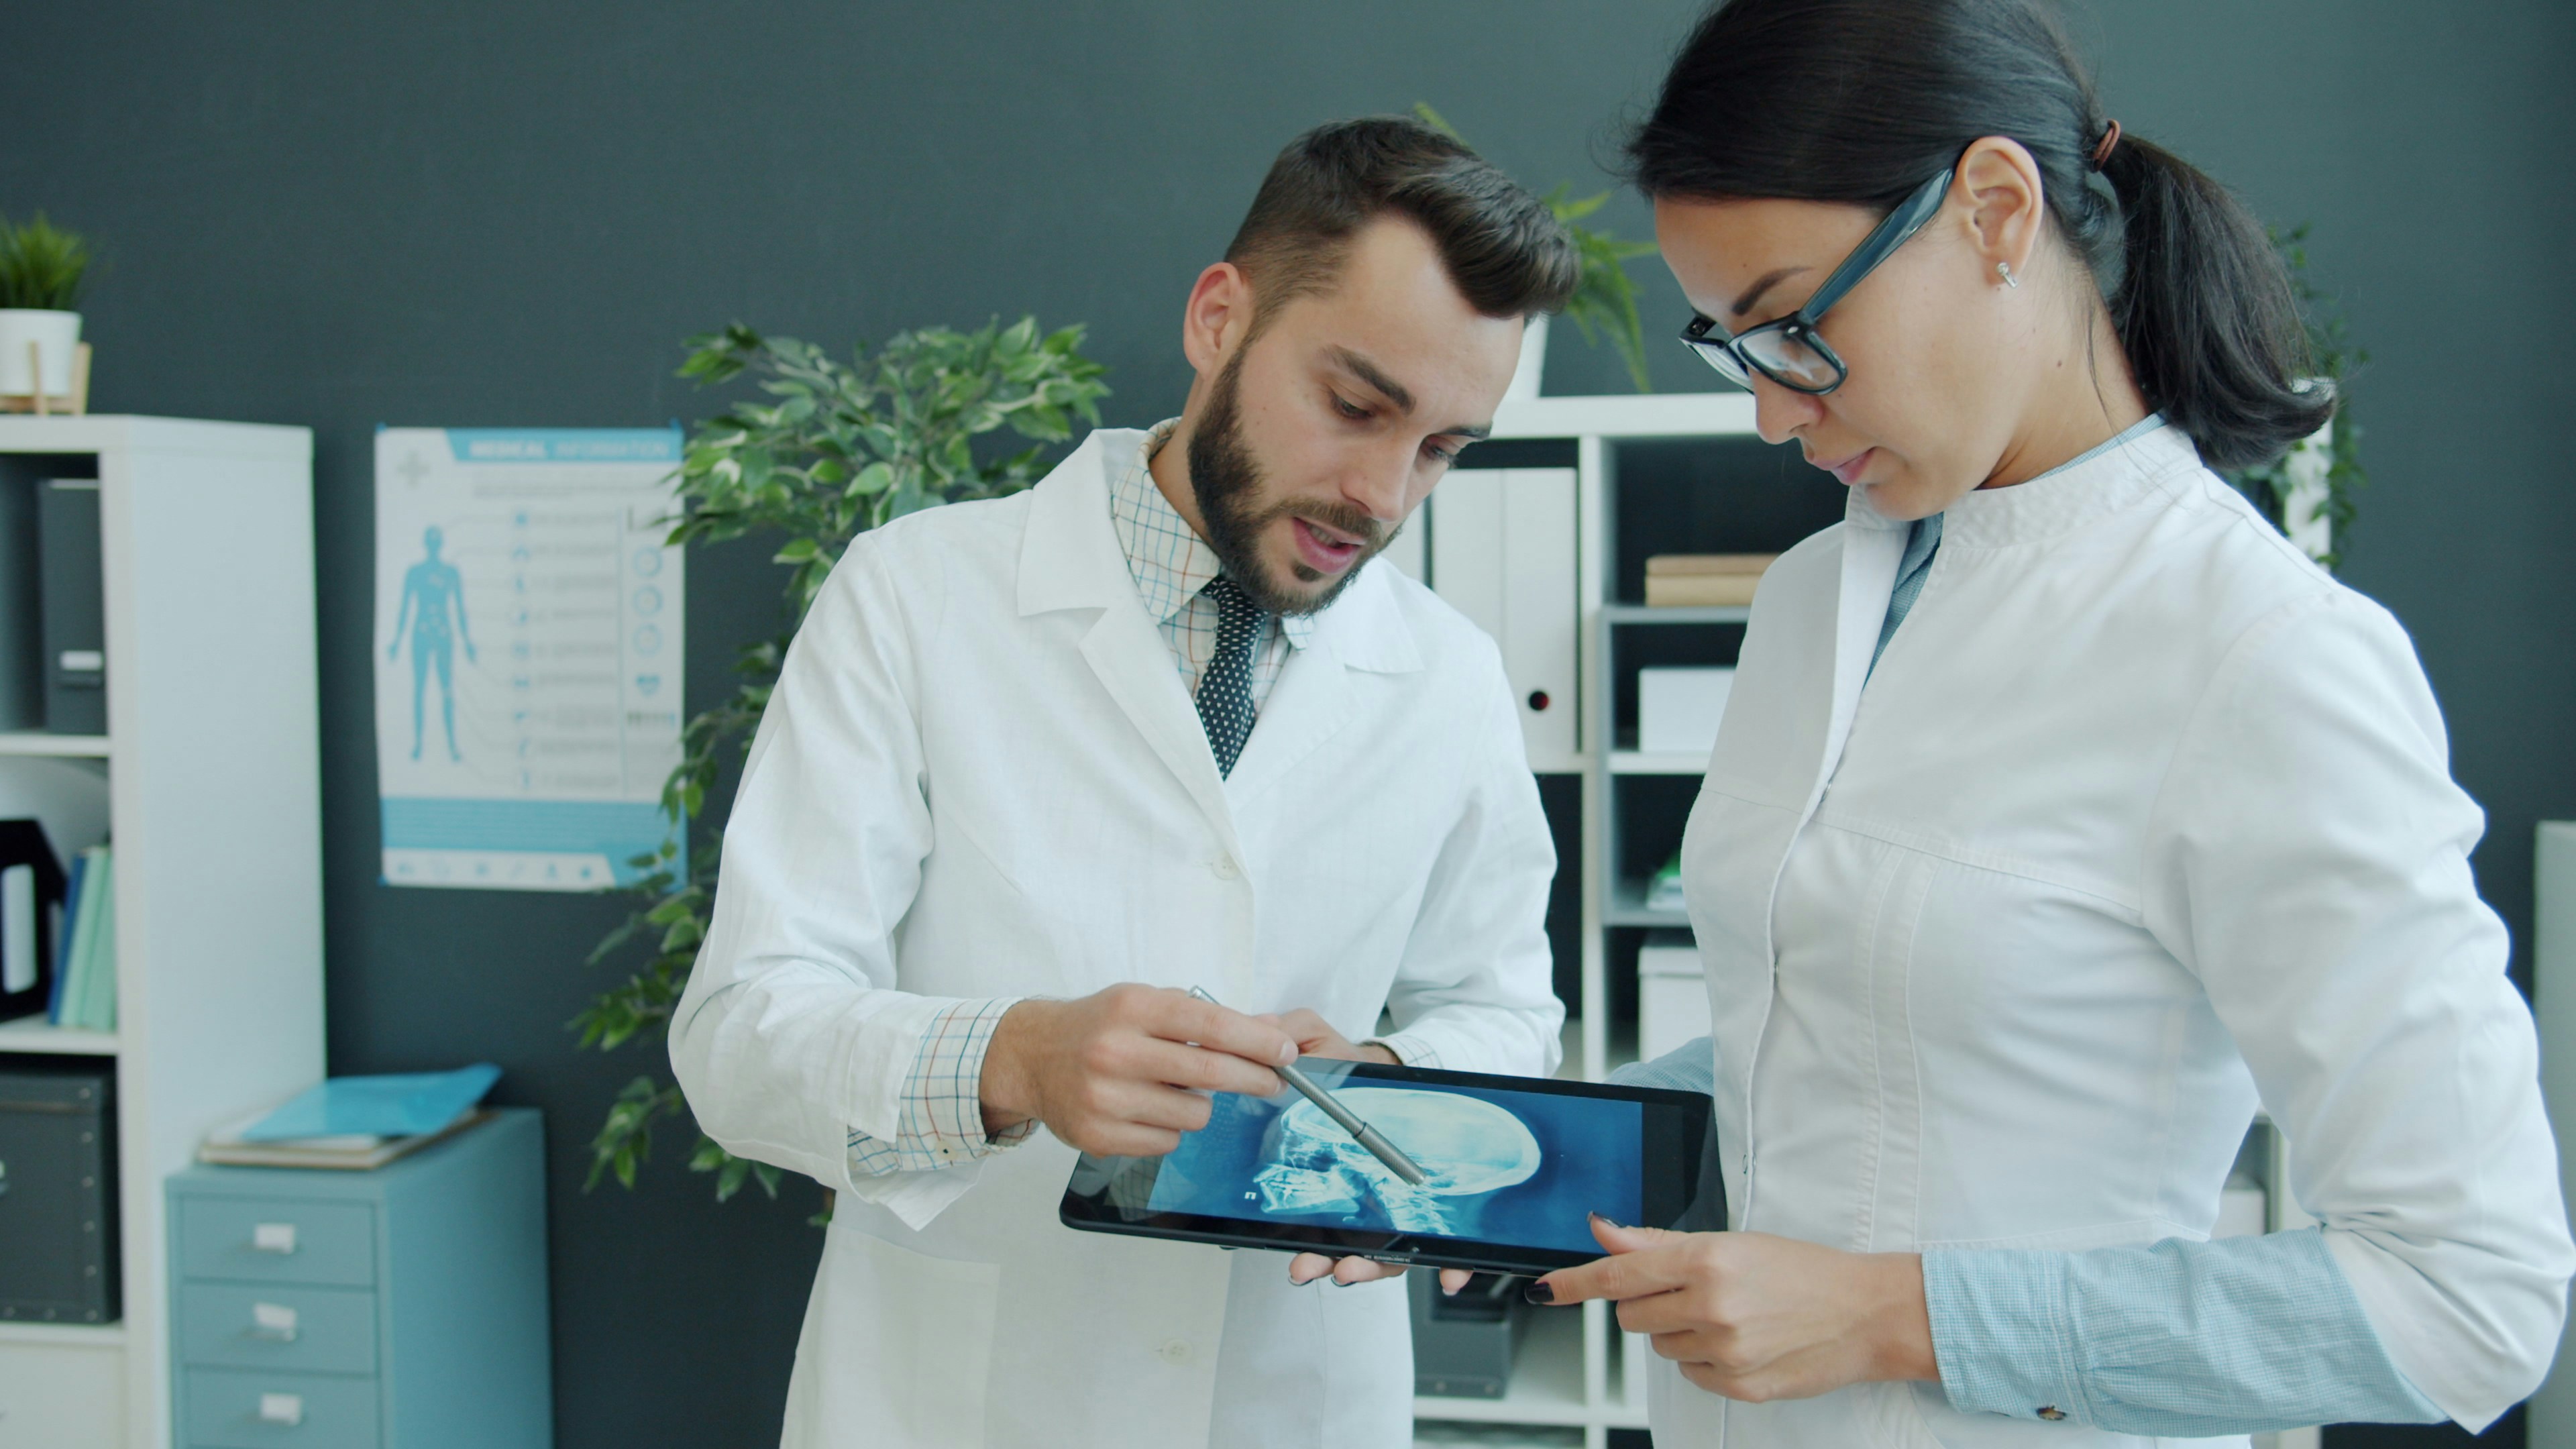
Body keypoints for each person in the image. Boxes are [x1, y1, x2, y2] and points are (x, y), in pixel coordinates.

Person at [1523, 2, 2575, 1446]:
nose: (1770, 415)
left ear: (1996, 212)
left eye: (1797, 330)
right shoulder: (1813, 598)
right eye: (1737, 347)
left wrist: (1890, 1316)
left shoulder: (2260, 655)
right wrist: (1510, 1147)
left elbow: (2470, 1298)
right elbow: (1831, 1032)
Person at [669, 116, 1575, 1449]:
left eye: (1443, 447)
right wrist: (1013, 1060)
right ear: (1220, 319)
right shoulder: (915, 597)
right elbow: (741, 1036)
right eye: (1355, 405)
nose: (1383, 495)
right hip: (968, 1401)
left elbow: (1503, 1012)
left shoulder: (1448, 672)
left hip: (1291, 1397)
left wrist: (1391, 1084)